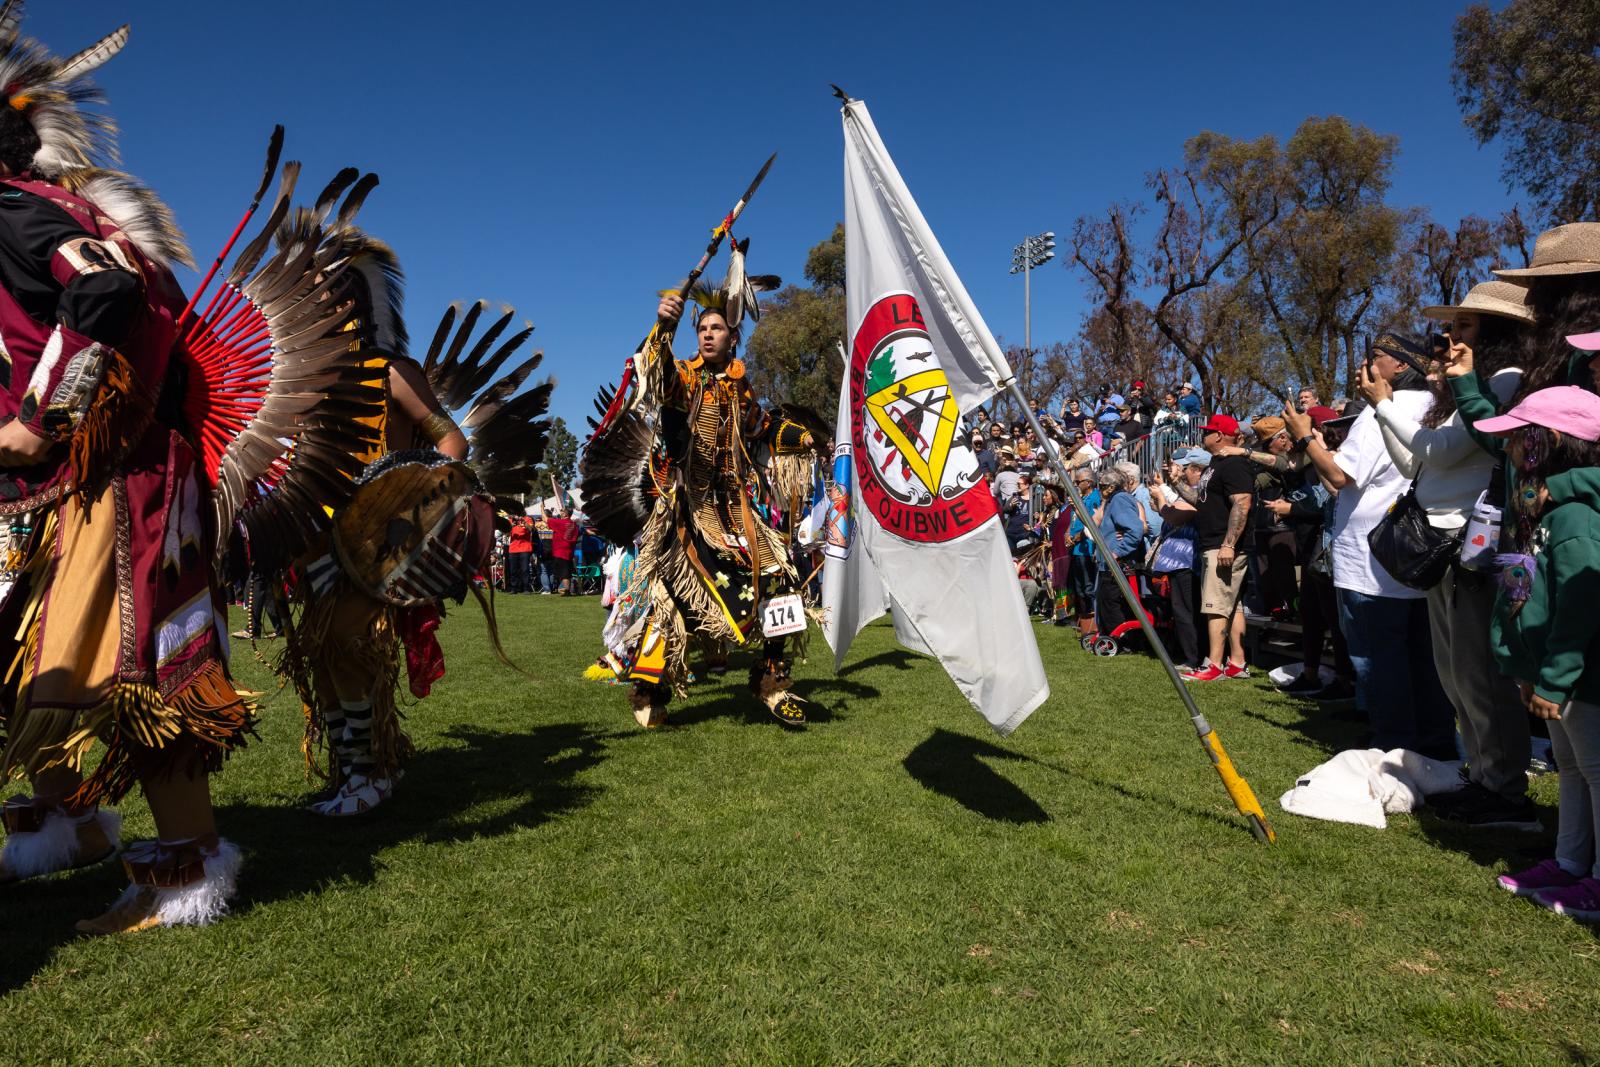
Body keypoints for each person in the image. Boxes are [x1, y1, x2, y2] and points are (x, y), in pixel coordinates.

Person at [0, 17, 255, 931]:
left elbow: (105, 290)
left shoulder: (17, 209)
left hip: (119, 479)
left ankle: (187, 867)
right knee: (36, 666)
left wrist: (38, 419)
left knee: (142, 672)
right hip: (69, 487)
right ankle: (67, 827)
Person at [581, 262, 823, 728]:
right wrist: (663, 327)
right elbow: (656, 375)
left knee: (781, 577)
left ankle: (771, 681)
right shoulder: (685, 378)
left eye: (717, 328)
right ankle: (649, 690)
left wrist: (804, 438)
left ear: (733, 337)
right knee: (678, 599)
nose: (708, 335)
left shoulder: (741, 388)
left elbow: (763, 427)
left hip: (734, 513)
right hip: (688, 512)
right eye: (703, 329)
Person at [1369, 280, 1537, 827]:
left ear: (1497, 333)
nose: (1450, 337)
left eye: (1465, 325)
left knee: (1478, 673)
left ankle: (1504, 788)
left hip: (1471, 545)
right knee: (1454, 673)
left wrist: (1386, 404)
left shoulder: (1503, 380)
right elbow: (1415, 462)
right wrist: (1383, 411)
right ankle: (1483, 774)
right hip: (1440, 544)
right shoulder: (1459, 388)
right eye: (1451, 326)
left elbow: (1439, 451)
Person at [1284, 333, 1455, 759]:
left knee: (1379, 660)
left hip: (1372, 558)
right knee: (1424, 660)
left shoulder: (1381, 412)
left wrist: (1305, 438)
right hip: (1419, 554)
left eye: (1376, 356)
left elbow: (1340, 476)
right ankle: (1434, 746)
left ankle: (1394, 747)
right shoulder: (1438, 407)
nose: (1365, 364)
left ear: (1401, 365)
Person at [1477, 387, 1600, 917]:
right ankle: (1570, 863)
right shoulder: (1530, 515)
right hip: (1548, 672)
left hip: (1580, 677)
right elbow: (1518, 591)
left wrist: (1556, 677)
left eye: (1515, 438)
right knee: (1569, 765)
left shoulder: (1576, 519)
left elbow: (1581, 607)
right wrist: (1522, 665)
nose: (1507, 448)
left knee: (1595, 769)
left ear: (1546, 441)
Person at [1176, 415, 1254, 681]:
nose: (1203, 435)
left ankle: (1214, 665)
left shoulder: (1234, 464)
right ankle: (1237, 662)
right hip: (1216, 543)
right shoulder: (1216, 464)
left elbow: (1242, 503)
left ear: (1219, 435)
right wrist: (1176, 483)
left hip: (1223, 545)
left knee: (1216, 605)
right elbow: (1201, 501)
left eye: (1207, 431)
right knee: (1232, 605)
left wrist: (1228, 544)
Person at [1151, 449, 1209, 670]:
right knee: (1181, 610)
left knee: (1187, 610)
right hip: (1177, 560)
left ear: (1198, 470)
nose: (1181, 471)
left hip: (1187, 560)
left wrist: (1161, 498)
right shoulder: (1186, 491)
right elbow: (1167, 512)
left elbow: (1177, 516)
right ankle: (1191, 655)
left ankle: (1195, 658)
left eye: (1185, 468)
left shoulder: (1199, 492)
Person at [1094, 466, 1147, 642]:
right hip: (1109, 563)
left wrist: (1118, 552)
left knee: (1112, 603)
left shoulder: (1120, 499)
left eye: (1102, 486)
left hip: (1118, 564)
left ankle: (1122, 641)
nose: (1099, 489)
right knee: (1105, 602)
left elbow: (1135, 529)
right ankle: (1109, 638)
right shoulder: (1112, 501)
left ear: (1111, 487)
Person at [1066, 471, 1102, 637]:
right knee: (1079, 588)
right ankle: (1084, 622)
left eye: (1078, 481)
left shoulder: (1095, 498)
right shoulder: (1081, 498)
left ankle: (1094, 625)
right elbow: (1074, 519)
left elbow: (1093, 522)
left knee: (1088, 588)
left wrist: (1079, 536)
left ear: (1089, 482)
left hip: (1087, 549)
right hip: (1076, 549)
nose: (1076, 484)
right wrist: (1068, 532)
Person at [547, 507, 579, 594]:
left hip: (560, 551)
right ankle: (567, 589)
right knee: (566, 572)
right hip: (569, 551)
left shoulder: (561, 522)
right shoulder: (574, 524)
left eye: (562, 511)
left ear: (565, 514)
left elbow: (546, 519)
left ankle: (566, 590)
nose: (560, 512)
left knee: (564, 573)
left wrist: (542, 508)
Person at [506, 514, 535, 593]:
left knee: (525, 569)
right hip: (513, 549)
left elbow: (531, 529)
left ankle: (526, 588)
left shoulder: (528, 519)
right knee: (513, 570)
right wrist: (511, 526)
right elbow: (507, 534)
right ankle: (514, 588)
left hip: (525, 548)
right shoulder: (511, 520)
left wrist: (523, 522)